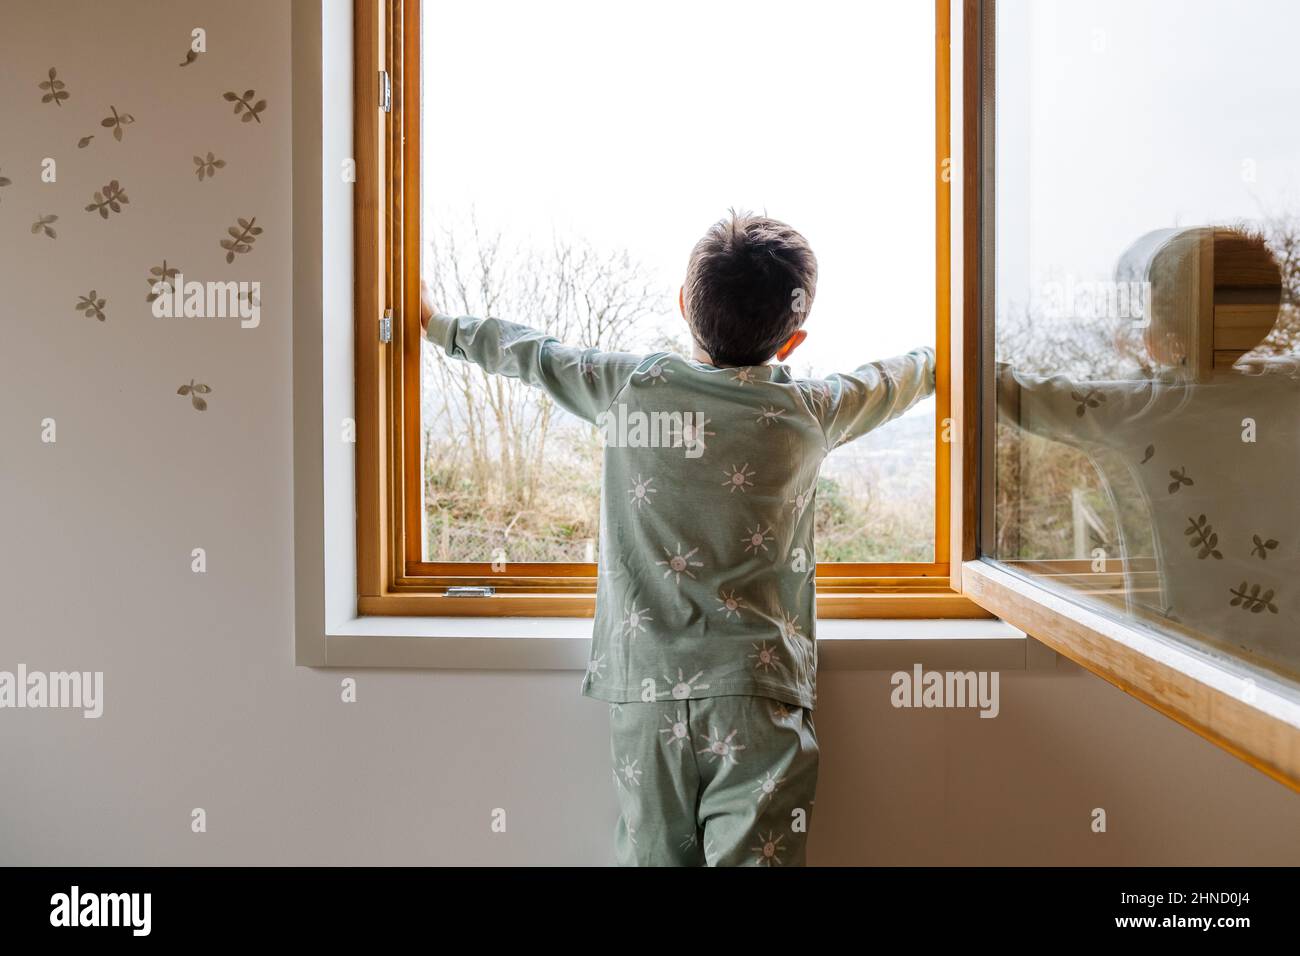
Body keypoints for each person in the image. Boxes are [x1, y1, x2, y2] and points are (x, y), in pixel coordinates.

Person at [420, 210, 935, 865]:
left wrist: (439, 325)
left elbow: (535, 354)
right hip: (759, 694)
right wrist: (942, 354)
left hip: (647, 692)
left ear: (685, 304)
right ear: (794, 338)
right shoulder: (808, 410)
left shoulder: (630, 389)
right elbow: (894, 379)